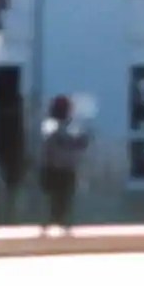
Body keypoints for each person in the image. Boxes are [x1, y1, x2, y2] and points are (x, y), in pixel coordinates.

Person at [38, 95, 90, 235]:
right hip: (53, 168)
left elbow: (80, 142)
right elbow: (57, 140)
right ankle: (50, 223)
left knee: (64, 198)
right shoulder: (50, 125)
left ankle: (62, 223)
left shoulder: (70, 126)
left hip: (65, 168)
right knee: (53, 199)